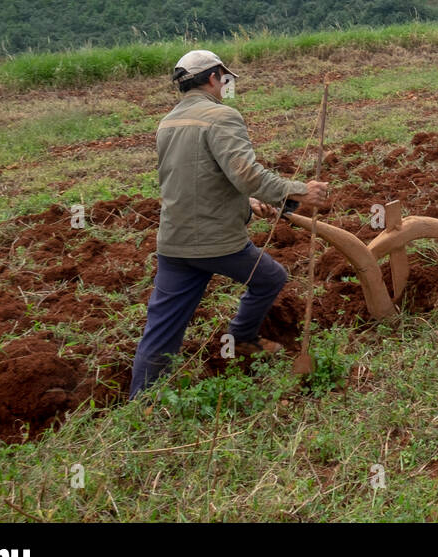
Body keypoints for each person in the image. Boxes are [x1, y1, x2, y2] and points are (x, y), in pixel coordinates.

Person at [129, 49, 329, 398]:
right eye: (224, 78)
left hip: (174, 242)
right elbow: (247, 173)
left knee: (161, 331)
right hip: (215, 243)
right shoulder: (222, 117)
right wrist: (298, 193)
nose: (226, 84)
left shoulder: (169, 122)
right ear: (213, 77)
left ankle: (140, 404)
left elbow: (197, 179)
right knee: (271, 277)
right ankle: (240, 338)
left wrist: (248, 204)